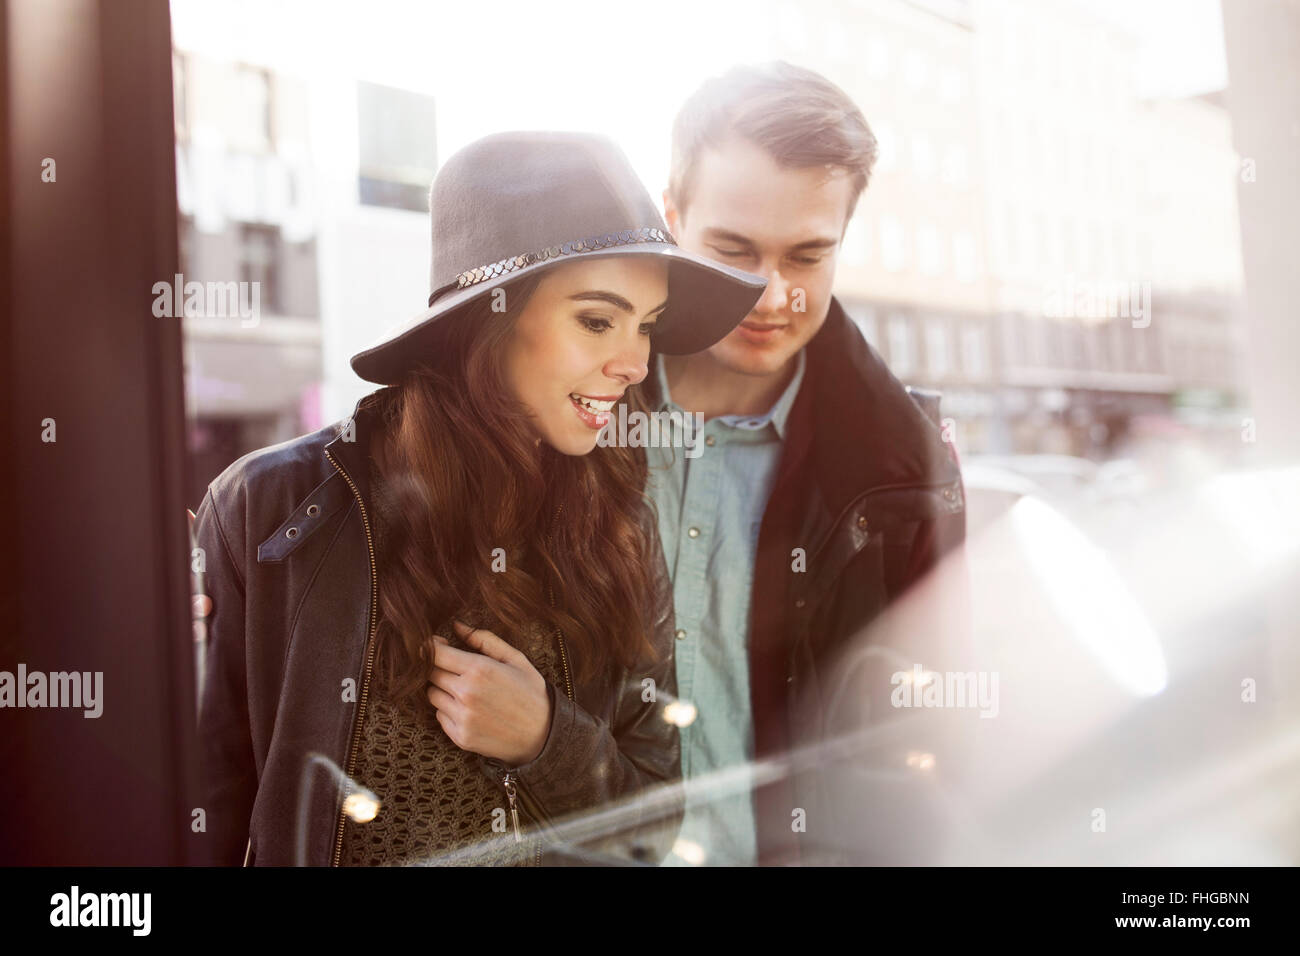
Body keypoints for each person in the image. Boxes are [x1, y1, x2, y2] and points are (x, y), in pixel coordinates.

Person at [193, 130, 766, 866]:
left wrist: (548, 741)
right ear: (489, 317)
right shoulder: (268, 509)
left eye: (646, 327)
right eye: (597, 319)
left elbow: (652, 827)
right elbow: (204, 805)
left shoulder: (621, 526)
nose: (634, 363)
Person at [642, 62, 970, 866]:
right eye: (734, 250)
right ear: (672, 219)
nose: (770, 294)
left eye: (806, 257)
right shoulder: (567, 420)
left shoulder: (909, 472)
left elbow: (943, 746)